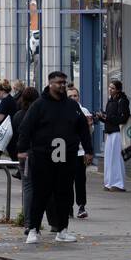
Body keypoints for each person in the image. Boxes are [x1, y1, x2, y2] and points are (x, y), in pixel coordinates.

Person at [15, 72, 92, 243]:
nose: (62, 86)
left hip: (66, 156)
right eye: (58, 83)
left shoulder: (72, 106)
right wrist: (22, 149)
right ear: (50, 84)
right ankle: (33, 229)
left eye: (64, 83)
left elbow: (83, 129)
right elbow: (25, 128)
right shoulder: (39, 105)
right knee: (41, 193)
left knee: (63, 194)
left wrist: (88, 150)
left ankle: (62, 229)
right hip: (42, 156)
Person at [11, 86, 39, 221]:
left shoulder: (18, 115)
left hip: (23, 154)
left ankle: (28, 221)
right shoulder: (37, 115)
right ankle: (54, 223)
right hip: (36, 153)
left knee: (27, 187)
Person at [67, 86, 95, 219]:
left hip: (79, 151)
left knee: (80, 180)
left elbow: (89, 134)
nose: (73, 98)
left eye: (75, 96)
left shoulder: (83, 111)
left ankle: (81, 206)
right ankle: (68, 207)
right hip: (65, 151)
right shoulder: (63, 110)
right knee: (66, 180)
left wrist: (89, 125)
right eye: (70, 96)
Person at [97, 79, 130, 192]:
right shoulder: (110, 100)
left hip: (117, 132)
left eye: (112, 88)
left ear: (118, 90)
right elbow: (109, 117)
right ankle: (109, 182)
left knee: (116, 158)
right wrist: (102, 117)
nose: (110, 90)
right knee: (109, 159)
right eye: (109, 87)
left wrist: (107, 118)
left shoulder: (122, 101)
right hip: (110, 132)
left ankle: (118, 183)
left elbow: (123, 118)